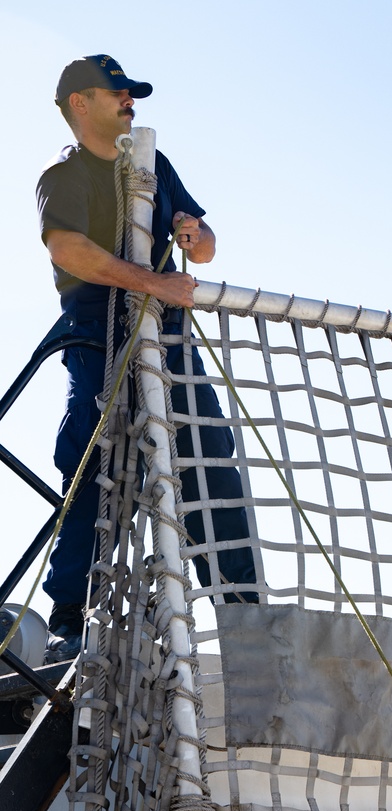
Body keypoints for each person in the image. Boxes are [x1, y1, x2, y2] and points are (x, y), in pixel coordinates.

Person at [36, 54, 257, 663]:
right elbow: (67, 248)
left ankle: (247, 623)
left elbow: (205, 248)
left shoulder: (154, 164)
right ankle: (71, 623)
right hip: (100, 341)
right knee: (93, 464)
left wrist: (194, 235)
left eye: (132, 93)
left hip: (171, 343)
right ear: (81, 103)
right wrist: (152, 282)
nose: (130, 101)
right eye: (119, 93)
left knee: (210, 466)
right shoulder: (63, 176)